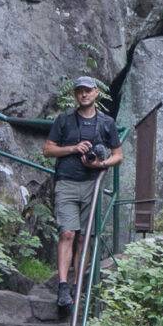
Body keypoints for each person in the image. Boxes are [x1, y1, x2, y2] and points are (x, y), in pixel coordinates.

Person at [43, 74, 122, 313]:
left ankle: (78, 286)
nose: (83, 94)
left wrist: (101, 164)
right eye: (79, 91)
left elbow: (119, 155)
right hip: (66, 182)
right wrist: (73, 148)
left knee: (83, 237)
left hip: (92, 183)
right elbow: (47, 149)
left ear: (96, 92)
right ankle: (64, 286)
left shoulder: (106, 123)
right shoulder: (65, 120)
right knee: (67, 232)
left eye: (87, 90)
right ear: (75, 94)